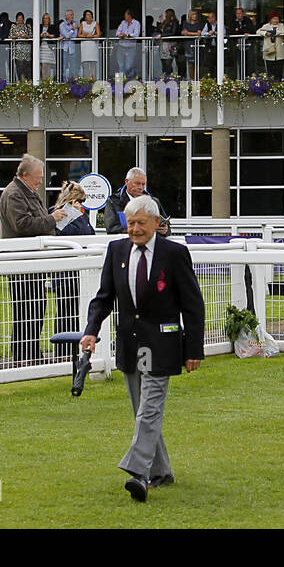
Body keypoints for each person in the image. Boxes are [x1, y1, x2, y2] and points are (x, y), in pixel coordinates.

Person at [79, 194, 205, 501]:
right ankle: (161, 470)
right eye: (130, 223)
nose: (134, 229)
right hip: (130, 342)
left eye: (140, 223)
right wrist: (91, 332)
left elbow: (192, 304)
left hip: (161, 342)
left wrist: (193, 349)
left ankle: (139, 471)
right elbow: (104, 297)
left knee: (149, 409)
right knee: (142, 410)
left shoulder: (174, 253)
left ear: (156, 223)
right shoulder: (116, 249)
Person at [0, 154, 68, 364]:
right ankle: (24, 354)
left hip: (33, 260)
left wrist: (55, 216)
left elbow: (34, 219)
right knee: (26, 308)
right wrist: (51, 219)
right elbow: (23, 224)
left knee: (36, 307)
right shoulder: (14, 194)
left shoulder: (27, 192)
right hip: (22, 262)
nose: (40, 181)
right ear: (26, 175)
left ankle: (31, 352)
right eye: (38, 177)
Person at [50, 181, 94, 357]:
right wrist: (75, 214)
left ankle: (72, 350)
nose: (82, 206)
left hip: (77, 273)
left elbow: (90, 235)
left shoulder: (78, 215)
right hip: (65, 271)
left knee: (74, 313)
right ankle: (62, 352)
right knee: (64, 313)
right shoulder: (58, 214)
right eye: (80, 201)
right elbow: (78, 234)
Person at [104, 167, 170, 235]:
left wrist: (165, 230)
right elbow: (111, 229)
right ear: (126, 181)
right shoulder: (114, 201)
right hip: (124, 243)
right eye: (137, 183)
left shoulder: (154, 202)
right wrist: (144, 230)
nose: (140, 187)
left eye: (143, 184)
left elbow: (167, 228)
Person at [257, 12, 284, 79]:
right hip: (269, 51)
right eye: (274, 19)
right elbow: (258, 31)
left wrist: (273, 33)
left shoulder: (281, 25)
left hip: (279, 52)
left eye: (277, 19)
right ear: (270, 20)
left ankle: (279, 85)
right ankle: (271, 85)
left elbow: (283, 32)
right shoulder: (266, 26)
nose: (276, 20)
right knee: (270, 71)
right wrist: (265, 33)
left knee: (279, 71)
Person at [228, 7, 255, 79]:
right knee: (237, 63)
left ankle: (247, 79)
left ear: (243, 14)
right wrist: (242, 31)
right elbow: (231, 31)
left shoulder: (247, 20)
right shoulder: (232, 21)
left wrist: (238, 30)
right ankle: (237, 79)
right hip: (236, 46)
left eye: (240, 13)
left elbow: (251, 30)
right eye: (237, 13)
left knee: (248, 63)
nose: (238, 15)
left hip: (247, 45)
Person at [115, 9, 142, 80]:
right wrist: (119, 35)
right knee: (121, 66)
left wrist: (126, 35)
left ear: (129, 15)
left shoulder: (136, 23)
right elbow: (117, 32)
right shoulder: (123, 22)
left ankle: (130, 81)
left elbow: (136, 35)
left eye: (125, 14)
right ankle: (121, 83)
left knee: (128, 67)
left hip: (130, 48)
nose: (124, 16)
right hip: (121, 47)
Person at [179, 9, 204, 79]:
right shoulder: (185, 23)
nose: (195, 16)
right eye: (193, 14)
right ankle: (192, 79)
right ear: (190, 15)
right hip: (188, 45)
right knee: (190, 64)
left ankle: (197, 79)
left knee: (197, 63)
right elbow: (183, 33)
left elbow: (199, 33)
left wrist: (189, 33)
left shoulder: (199, 23)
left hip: (197, 45)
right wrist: (192, 33)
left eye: (196, 14)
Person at [156, 8, 180, 78]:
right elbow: (159, 30)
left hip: (170, 44)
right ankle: (165, 77)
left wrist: (162, 35)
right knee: (163, 62)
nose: (165, 15)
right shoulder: (165, 22)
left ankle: (170, 78)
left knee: (168, 62)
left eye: (166, 14)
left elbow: (173, 33)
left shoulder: (174, 22)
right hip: (163, 44)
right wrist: (159, 22)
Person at [10, 10, 32, 80]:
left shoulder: (27, 26)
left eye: (21, 18)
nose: (20, 19)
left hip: (26, 49)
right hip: (17, 49)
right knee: (19, 66)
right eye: (18, 18)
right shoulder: (13, 26)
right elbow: (10, 36)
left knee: (27, 66)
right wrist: (16, 35)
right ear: (16, 19)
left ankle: (27, 81)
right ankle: (19, 80)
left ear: (23, 18)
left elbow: (31, 36)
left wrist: (25, 36)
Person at [78, 9, 101, 78]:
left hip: (93, 45)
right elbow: (78, 35)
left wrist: (92, 36)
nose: (89, 16)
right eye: (88, 15)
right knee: (86, 64)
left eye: (90, 15)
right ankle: (86, 81)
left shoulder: (95, 23)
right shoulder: (82, 23)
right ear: (85, 16)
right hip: (85, 46)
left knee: (93, 64)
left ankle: (93, 81)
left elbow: (98, 34)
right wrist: (84, 36)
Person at [58, 9, 80, 80]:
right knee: (64, 66)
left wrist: (67, 34)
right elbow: (67, 36)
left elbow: (75, 36)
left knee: (73, 66)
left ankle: (71, 81)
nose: (72, 16)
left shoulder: (75, 24)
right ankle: (64, 81)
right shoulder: (62, 25)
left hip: (72, 48)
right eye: (71, 15)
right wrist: (72, 30)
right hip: (64, 48)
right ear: (66, 16)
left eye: (73, 14)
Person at [38, 13, 58, 80]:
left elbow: (55, 35)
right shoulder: (40, 27)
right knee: (43, 66)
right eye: (44, 18)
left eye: (47, 18)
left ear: (49, 19)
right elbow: (35, 35)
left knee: (48, 66)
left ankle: (48, 82)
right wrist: (40, 35)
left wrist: (49, 35)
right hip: (42, 48)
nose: (46, 20)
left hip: (49, 48)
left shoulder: (52, 27)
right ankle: (44, 82)